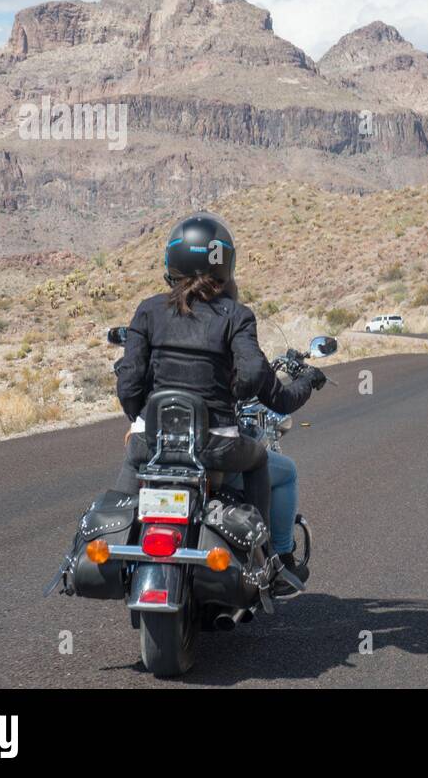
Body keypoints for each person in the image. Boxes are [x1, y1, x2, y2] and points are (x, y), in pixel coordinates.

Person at [113, 211, 325, 592]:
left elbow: (129, 381)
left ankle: (121, 538)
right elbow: (254, 377)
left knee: (134, 455)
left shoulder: (148, 309)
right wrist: (235, 389)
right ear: (225, 263)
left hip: (154, 441)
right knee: (267, 461)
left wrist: (141, 418)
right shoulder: (236, 316)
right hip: (216, 447)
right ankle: (268, 560)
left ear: (171, 261)